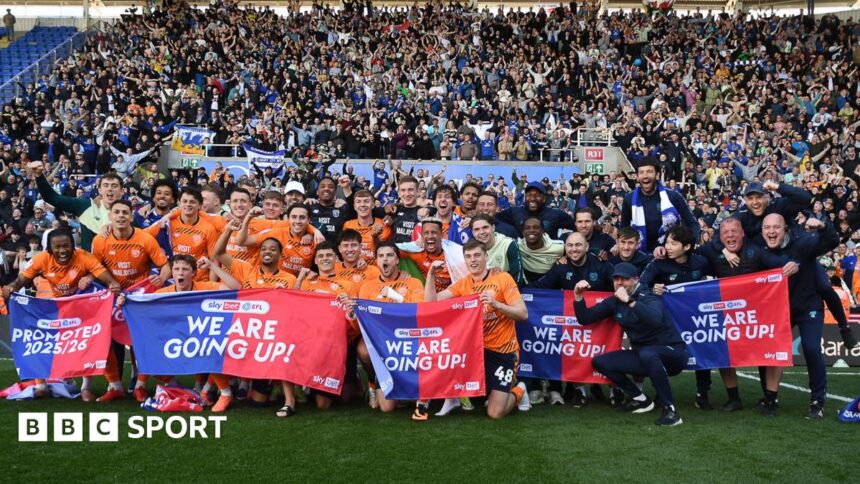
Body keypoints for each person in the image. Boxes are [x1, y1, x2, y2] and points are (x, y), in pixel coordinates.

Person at [2, 228, 122, 401]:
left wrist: (112, 284)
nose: (62, 250)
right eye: (57, 247)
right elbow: (22, 279)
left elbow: (104, 276)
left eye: (66, 246)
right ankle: (40, 386)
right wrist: (11, 287)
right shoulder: (41, 258)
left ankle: (88, 387)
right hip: (51, 306)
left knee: (91, 342)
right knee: (41, 341)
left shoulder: (83, 257)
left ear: (72, 246)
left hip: (79, 305)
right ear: (49, 248)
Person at [694, 216, 798, 411]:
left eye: (734, 231)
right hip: (728, 315)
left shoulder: (755, 251)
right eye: (726, 233)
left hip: (757, 315)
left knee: (773, 349)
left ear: (743, 233)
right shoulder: (714, 250)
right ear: (720, 237)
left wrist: (793, 264)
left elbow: (780, 263)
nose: (730, 235)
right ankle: (734, 399)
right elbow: (691, 257)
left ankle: (771, 400)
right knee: (722, 351)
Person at [424, 240, 530, 420]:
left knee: (495, 413)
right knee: (442, 349)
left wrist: (496, 304)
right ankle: (454, 397)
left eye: (477, 255)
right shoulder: (463, 284)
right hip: (474, 351)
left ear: (486, 256)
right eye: (468, 256)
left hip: (503, 351)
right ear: (464, 260)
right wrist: (431, 276)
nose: (473, 260)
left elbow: (523, 314)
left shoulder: (502, 278)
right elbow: (430, 304)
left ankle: (519, 390)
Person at [573, 263, 688, 426]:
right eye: (616, 279)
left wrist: (629, 300)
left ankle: (671, 411)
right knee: (600, 362)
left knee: (649, 353)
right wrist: (578, 295)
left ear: (635, 280)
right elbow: (585, 318)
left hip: (673, 354)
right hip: (644, 356)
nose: (619, 283)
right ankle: (641, 399)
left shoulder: (649, 295)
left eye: (624, 279)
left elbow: (654, 319)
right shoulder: (615, 300)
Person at [90, 199, 170, 403]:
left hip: (138, 297)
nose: (121, 216)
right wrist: (87, 278)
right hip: (111, 296)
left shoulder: (145, 239)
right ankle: (115, 386)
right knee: (105, 338)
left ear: (131, 216)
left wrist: (161, 277)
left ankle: (140, 384)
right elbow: (93, 267)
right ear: (110, 216)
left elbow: (165, 265)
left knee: (139, 341)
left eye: (125, 212)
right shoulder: (100, 240)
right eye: (116, 212)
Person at [761, 213, 839, 418]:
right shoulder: (760, 249)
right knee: (770, 350)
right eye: (767, 228)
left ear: (785, 228)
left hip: (808, 306)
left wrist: (823, 225)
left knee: (811, 348)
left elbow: (831, 240)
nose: (771, 231)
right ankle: (769, 398)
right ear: (761, 231)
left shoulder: (802, 242)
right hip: (781, 308)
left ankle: (817, 401)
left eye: (776, 227)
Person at [529, 231, 613, 407]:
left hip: (602, 320)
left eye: (578, 245)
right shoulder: (561, 266)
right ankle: (579, 390)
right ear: (565, 249)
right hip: (575, 321)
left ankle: (615, 390)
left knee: (608, 351)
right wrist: (516, 289)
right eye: (570, 246)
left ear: (587, 247)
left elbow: (616, 286)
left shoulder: (601, 264)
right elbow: (541, 287)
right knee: (575, 351)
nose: (574, 249)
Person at [351, 242, 425, 412]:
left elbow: (417, 313)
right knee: (386, 408)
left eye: (390, 255)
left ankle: (411, 387)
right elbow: (364, 320)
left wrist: (395, 296)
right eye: (381, 256)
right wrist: (351, 313)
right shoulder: (368, 287)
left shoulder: (413, 283)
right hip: (380, 340)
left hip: (407, 339)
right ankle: (372, 382)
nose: (385, 259)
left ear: (397, 260)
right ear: (376, 261)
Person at [296, 242, 358, 411]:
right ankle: (306, 382)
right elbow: (294, 310)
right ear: (315, 260)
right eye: (321, 256)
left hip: (341, 345)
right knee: (322, 405)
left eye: (329, 255)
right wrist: (300, 280)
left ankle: (353, 378)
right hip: (313, 345)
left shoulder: (348, 285)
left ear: (336, 259)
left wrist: (350, 311)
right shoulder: (309, 284)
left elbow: (354, 322)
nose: (325, 259)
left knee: (346, 398)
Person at [621, 159, 699, 253]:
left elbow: (692, 223)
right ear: (637, 177)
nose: (645, 176)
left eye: (649, 171)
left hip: (670, 253)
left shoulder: (673, 196)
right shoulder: (629, 199)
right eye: (641, 172)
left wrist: (692, 243)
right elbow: (624, 227)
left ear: (657, 175)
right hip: (640, 252)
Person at [145, 187, 218, 281]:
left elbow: (214, 260)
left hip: (198, 281)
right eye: (185, 201)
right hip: (172, 280)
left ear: (200, 205)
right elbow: (142, 237)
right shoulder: (167, 223)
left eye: (192, 202)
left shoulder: (209, 228)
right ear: (179, 203)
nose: (188, 204)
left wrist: (213, 287)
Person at [495, 180, 575, 239]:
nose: (532, 198)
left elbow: (577, 227)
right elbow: (493, 221)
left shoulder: (556, 214)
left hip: (547, 259)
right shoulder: (514, 212)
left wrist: (563, 243)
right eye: (529, 195)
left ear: (544, 198)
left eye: (537, 195)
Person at [469, 214, 524, 285]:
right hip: (482, 289)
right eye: (477, 229)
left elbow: (518, 278)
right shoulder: (470, 249)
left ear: (493, 228)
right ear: (473, 233)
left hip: (507, 289)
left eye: (485, 227)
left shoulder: (508, 244)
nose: (482, 232)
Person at [342, 189, 390, 266]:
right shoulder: (348, 226)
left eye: (366, 201)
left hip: (377, 273)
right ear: (354, 207)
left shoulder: (383, 225)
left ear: (373, 205)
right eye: (359, 202)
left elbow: (385, 251)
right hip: (354, 272)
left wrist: (375, 237)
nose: (362, 204)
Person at [518, 216, 564, 284]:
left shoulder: (559, 247)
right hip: (527, 285)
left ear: (543, 231)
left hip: (549, 285)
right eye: (527, 228)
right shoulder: (517, 246)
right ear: (523, 232)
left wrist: (567, 257)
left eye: (536, 227)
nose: (531, 230)